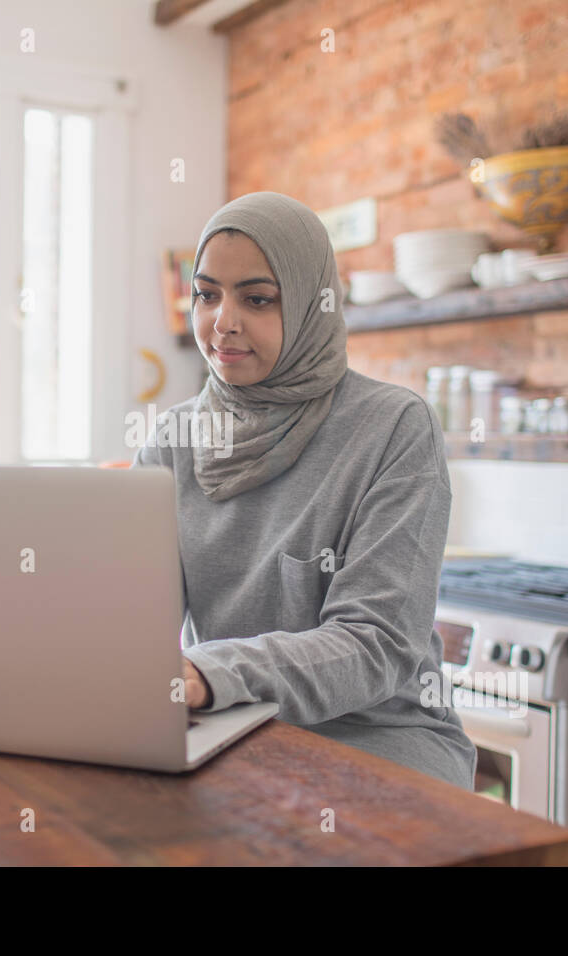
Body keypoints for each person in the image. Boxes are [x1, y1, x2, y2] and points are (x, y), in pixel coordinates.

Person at [132, 191, 476, 791]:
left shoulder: (393, 427)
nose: (224, 321)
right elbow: (130, 620)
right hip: (228, 728)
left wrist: (212, 674)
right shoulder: (173, 440)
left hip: (380, 743)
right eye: (207, 294)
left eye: (258, 299)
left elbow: (376, 646)